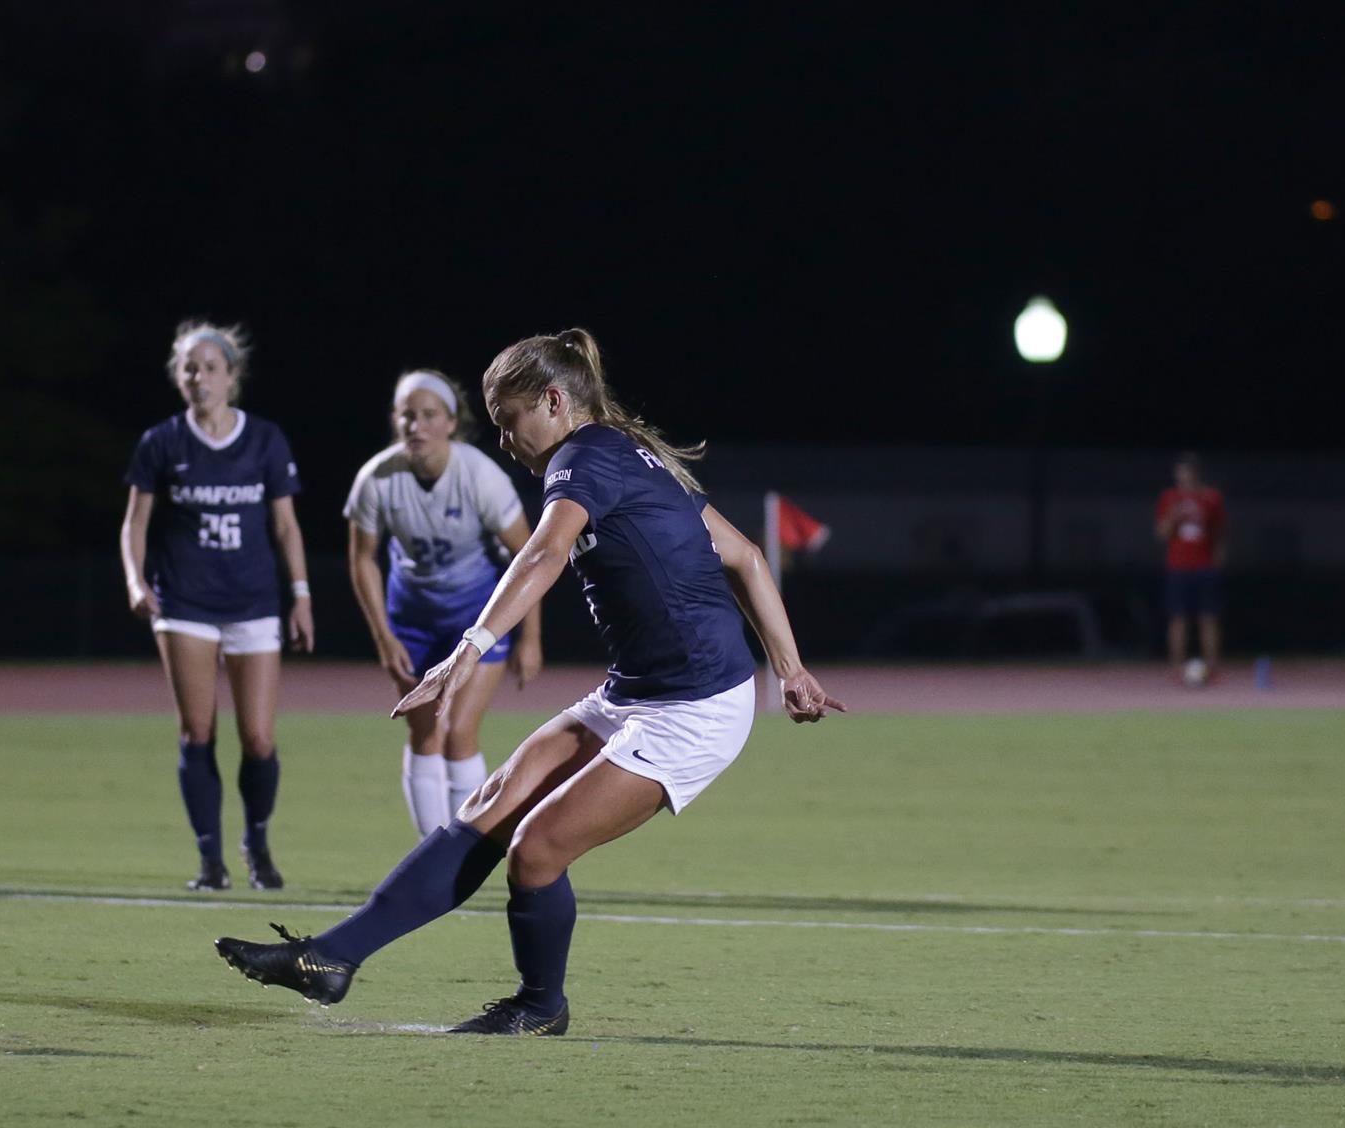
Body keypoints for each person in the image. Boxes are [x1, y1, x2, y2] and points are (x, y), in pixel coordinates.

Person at [218, 329, 843, 1034]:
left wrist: (466, 652)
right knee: (491, 803)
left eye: (508, 421)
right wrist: (789, 671)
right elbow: (748, 555)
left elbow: (545, 553)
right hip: (636, 691)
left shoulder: (583, 457)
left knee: (537, 849)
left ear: (552, 400)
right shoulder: (617, 454)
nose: (505, 441)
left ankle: (542, 1007)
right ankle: (328, 961)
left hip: (694, 708)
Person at [120, 320, 313, 891]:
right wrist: (135, 581)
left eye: (209, 367)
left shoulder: (264, 440)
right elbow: (134, 524)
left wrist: (299, 594)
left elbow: (285, 525)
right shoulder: (162, 443)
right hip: (184, 602)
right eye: (189, 368)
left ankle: (256, 839)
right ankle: (210, 859)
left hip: (253, 603)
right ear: (178, 378)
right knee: (196, 730)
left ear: (232, 375)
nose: (198, 377)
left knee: (258, 737)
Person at [346, 369, 542, 835]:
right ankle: (428, 851)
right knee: (423, 733)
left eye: (428, 415)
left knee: (458, 734)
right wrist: (383, 635)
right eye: (406, 416)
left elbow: (529, 554)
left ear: (451, 422)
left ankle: (460, 848)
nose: (416, 426)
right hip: (411, 620)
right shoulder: (377, 478)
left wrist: (531, 636)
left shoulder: (479, 476)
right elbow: (362, 560)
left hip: (477, 618)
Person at [1154, 452, 1226, 685]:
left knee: (1209, 617)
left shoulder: (1211, 498)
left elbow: (1220, 534)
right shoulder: (1169, 497)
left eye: (1188, 473)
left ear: (1196, 474)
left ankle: (1213, 667)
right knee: (1178, 618)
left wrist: (1218, 563)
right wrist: (1174, 515)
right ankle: (1176, 667)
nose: (1183, 478)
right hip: (1178, 567)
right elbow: (1162, 533)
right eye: (1180, 473)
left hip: (1204, 567)